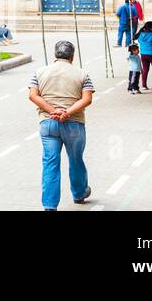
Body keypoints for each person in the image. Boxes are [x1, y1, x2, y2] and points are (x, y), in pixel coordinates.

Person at [28, 39, 93, 211]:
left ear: (55, 55)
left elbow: (33, 95)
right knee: (76, 160)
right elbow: (87, 99)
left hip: (48, 123)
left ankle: (49, 205)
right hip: (74, 124)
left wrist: (52, 111)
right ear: (72, 56)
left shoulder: (40, 72)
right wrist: (67, 112)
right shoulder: (82, 73)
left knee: (50, 163)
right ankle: (79, 193)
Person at [136, 21, 152, 91]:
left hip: (143, 55)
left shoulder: (140, 35)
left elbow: (139, 42)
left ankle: (144, 85)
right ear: (151, 28)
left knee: (145, 69)